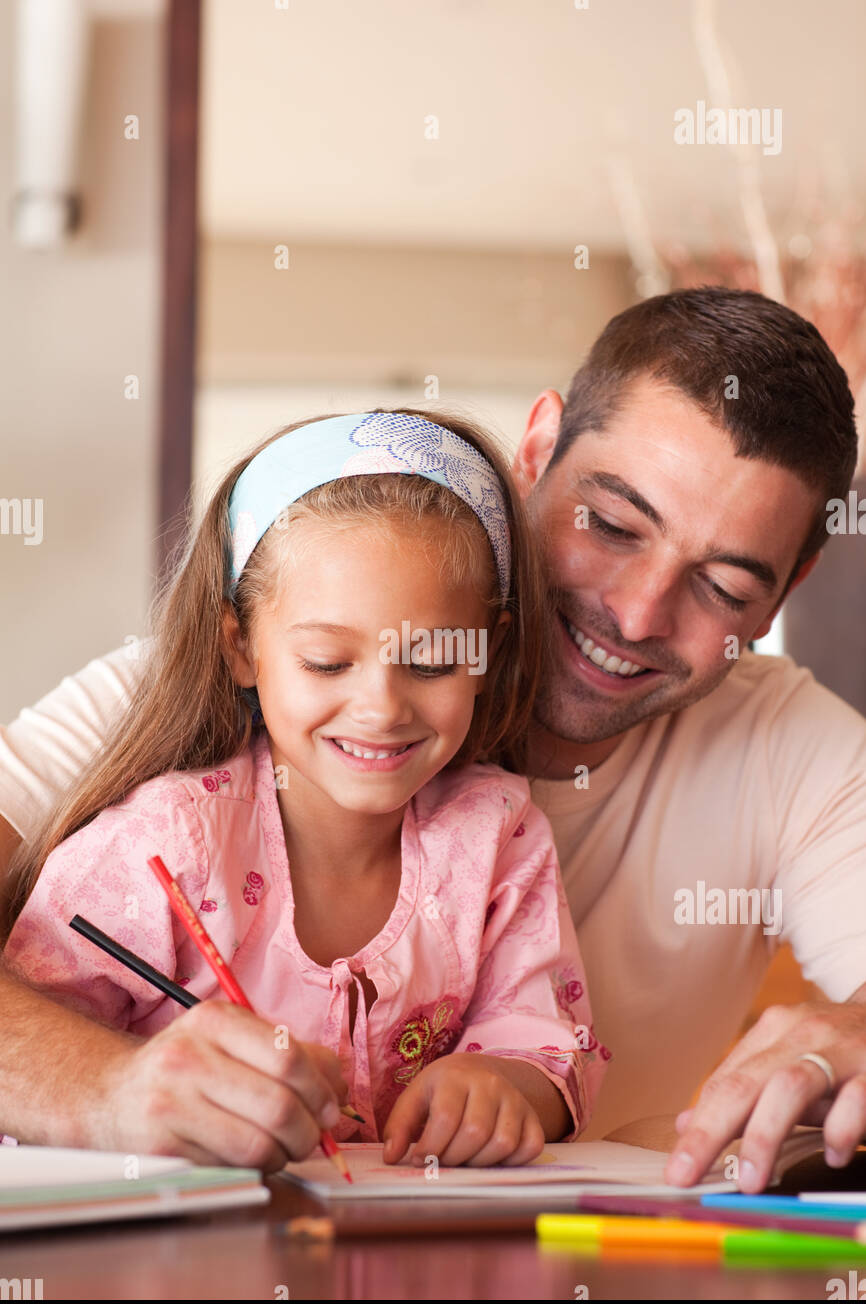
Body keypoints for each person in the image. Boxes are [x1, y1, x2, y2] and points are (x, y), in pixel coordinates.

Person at [2, 287, 865, 1191]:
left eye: (724, 587)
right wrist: (109, 1087)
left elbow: (544, 1043)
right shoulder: (178, 713)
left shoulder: (783, 752)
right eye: (610, 526)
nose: (638, 613)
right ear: (538, 451)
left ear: (792, 585)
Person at [0, 408, 606, 1170]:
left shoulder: (497, 833)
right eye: (327, 662)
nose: (382, 708)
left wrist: (503, 1083)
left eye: (431, 663)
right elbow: (30, 1083)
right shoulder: (164, 842)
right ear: (241, 647)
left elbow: (550, 1042)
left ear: (490, 650)